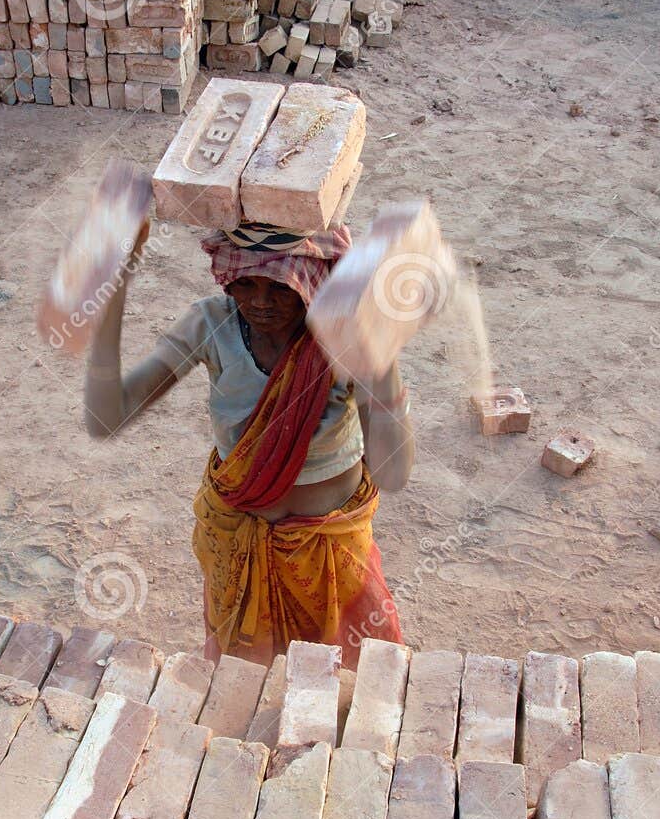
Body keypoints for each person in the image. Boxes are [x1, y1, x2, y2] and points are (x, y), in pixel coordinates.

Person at [84, 220, 414, 669]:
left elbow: (393, 472)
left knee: (343, 681)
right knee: (245, 684)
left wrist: (382, 358)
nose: (260, 302)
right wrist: (112, 294)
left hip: (327, 554)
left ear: (315, 280)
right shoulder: (211, 323)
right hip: (238, 545)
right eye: (245, 284)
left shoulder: (346, 337)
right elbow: (108, 415)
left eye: (280, 287)